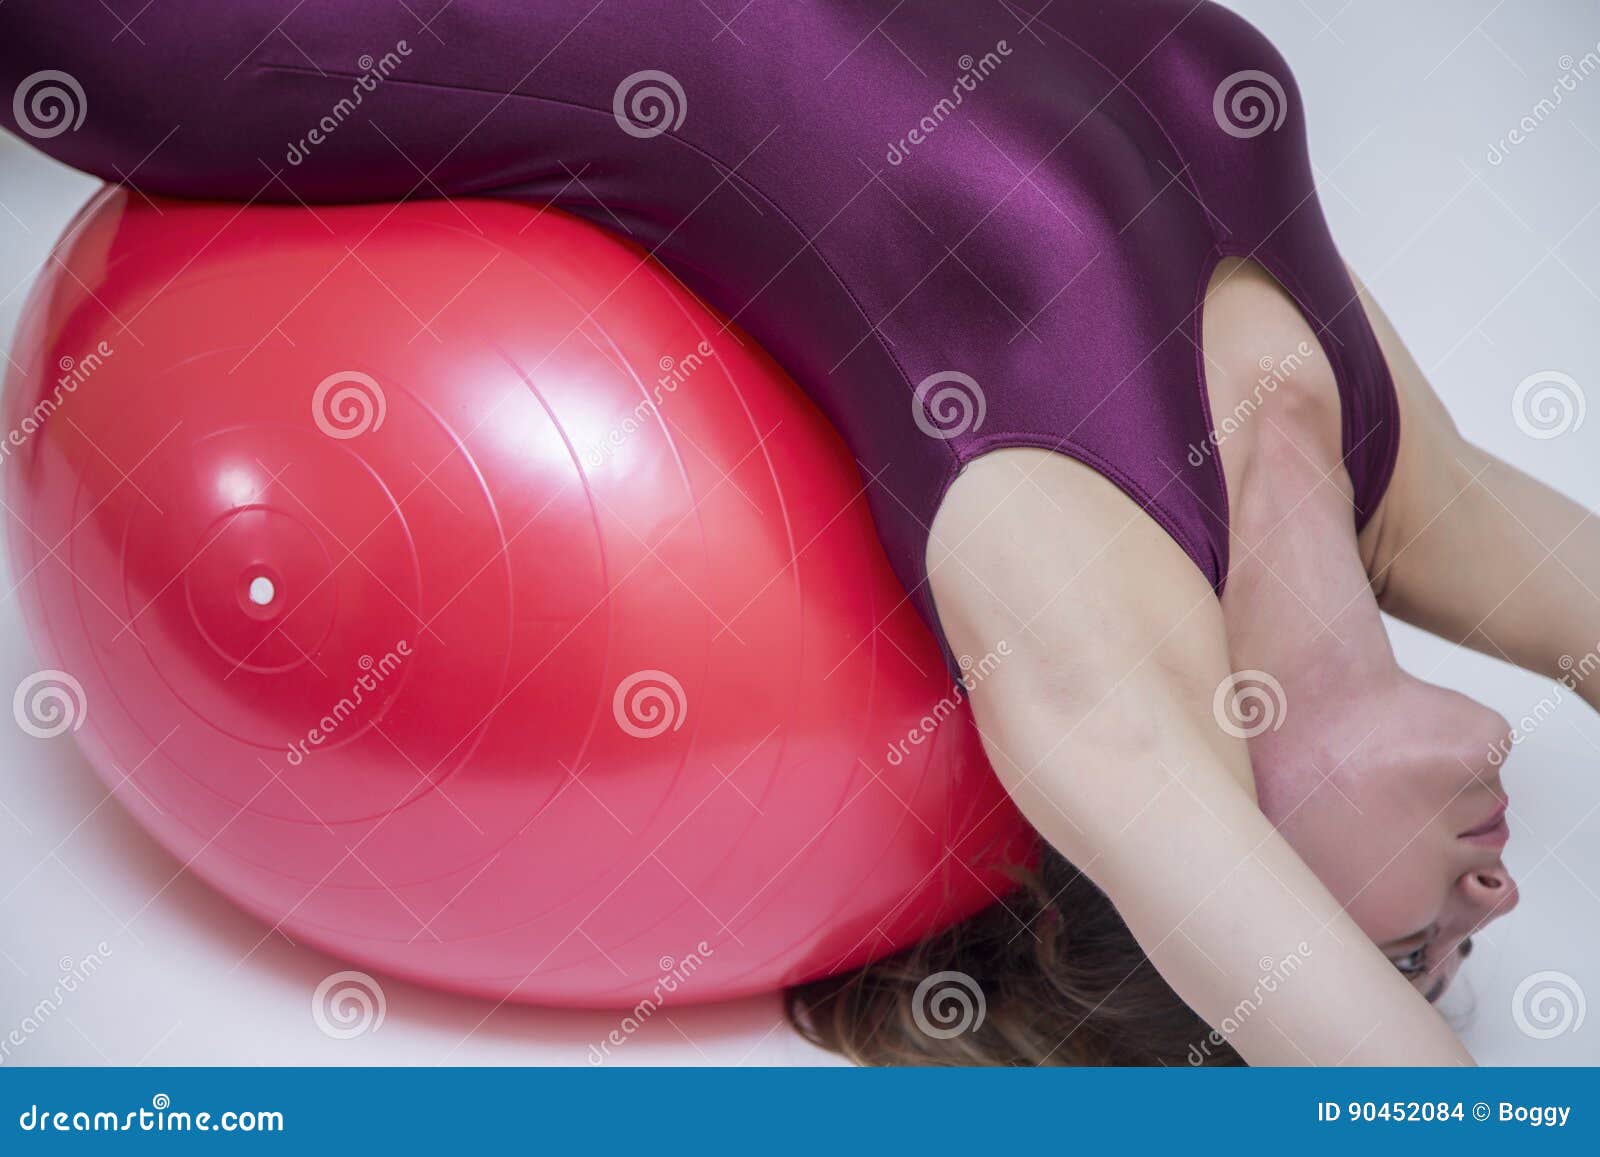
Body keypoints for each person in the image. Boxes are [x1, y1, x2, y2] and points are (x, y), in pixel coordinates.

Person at [4, 0, 1585, 1064]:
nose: (1489, 907)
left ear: (1236, 873)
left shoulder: (1089, 596)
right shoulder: (1383, 465)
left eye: (1413, 954)